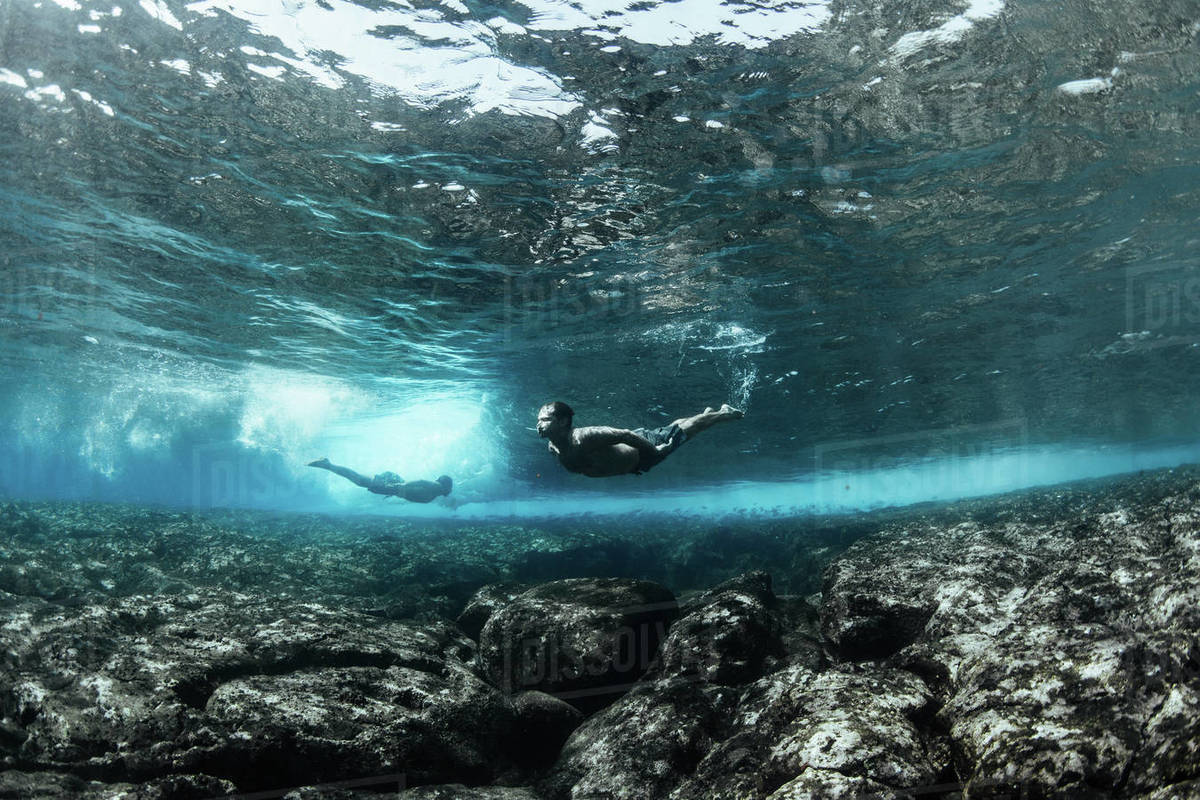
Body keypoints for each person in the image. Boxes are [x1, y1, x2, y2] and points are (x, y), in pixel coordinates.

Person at [535, 401, 744, 478]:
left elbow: (625, 434)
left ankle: (723, 414)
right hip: (635, 464)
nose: (539, 424)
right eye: (538, 420)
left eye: (545, 420)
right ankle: (706, 415)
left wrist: (655, 452)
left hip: (645, 450)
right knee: (675, 429)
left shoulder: (585, 437)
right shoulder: (553, 447)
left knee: (687, 432)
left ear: (562, 422)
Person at [307, 458, 452, 503]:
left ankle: (328, 465)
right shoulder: (435, 487)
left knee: (359, 480)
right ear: (444, 486)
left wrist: (397, 491)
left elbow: (412, 495)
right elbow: (420, 481)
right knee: (359, 480)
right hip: (395, 484)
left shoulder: (433, 495)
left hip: (394, 487)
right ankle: (327, 464)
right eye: (446, 489)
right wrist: (402, 485)